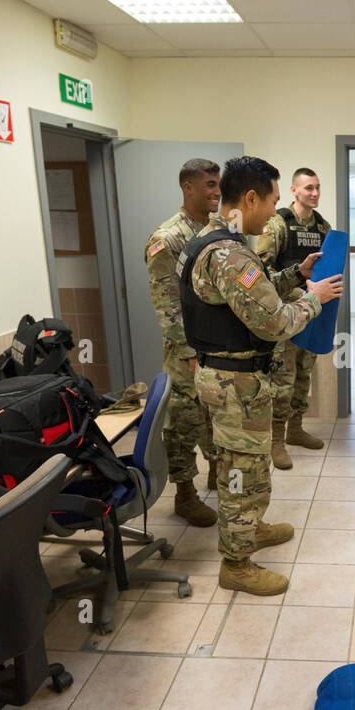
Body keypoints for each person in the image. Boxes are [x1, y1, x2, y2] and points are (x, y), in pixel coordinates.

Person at [177, 157, 343, 595]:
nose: (273, 211)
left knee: (248, 467)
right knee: (239, 473)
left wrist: (296, 274)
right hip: (235, 386)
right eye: (270, 200)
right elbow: (274, 323)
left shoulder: (218, 242)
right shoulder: (228, 254)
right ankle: (236, 563)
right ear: (250, 198)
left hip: (237, 383)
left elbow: (253, 296)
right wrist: (316, 298)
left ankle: (251, 528)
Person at [144, 158, 221, 527]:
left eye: (218, 184)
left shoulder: (215, 230)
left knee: (214, 416)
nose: (217, 191)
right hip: (186, 352)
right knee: (184, 422)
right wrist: (189, 352)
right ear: (187, 187)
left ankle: (215, 473)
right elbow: (167, 303)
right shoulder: (167, 238)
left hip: (215, 347)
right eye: (209, 185)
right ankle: (185, 495)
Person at [256, 168, 331, 470]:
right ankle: (276, 441)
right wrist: (299, 286)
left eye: (318, 188)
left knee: (303, 376)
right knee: (282, 382)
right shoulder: (277, 225)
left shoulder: (324, 228)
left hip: (312, 313)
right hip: (285, 316)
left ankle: (296, 429)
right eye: (308, 188)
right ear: (294, 190)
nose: (314, 193)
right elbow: (261, 276)